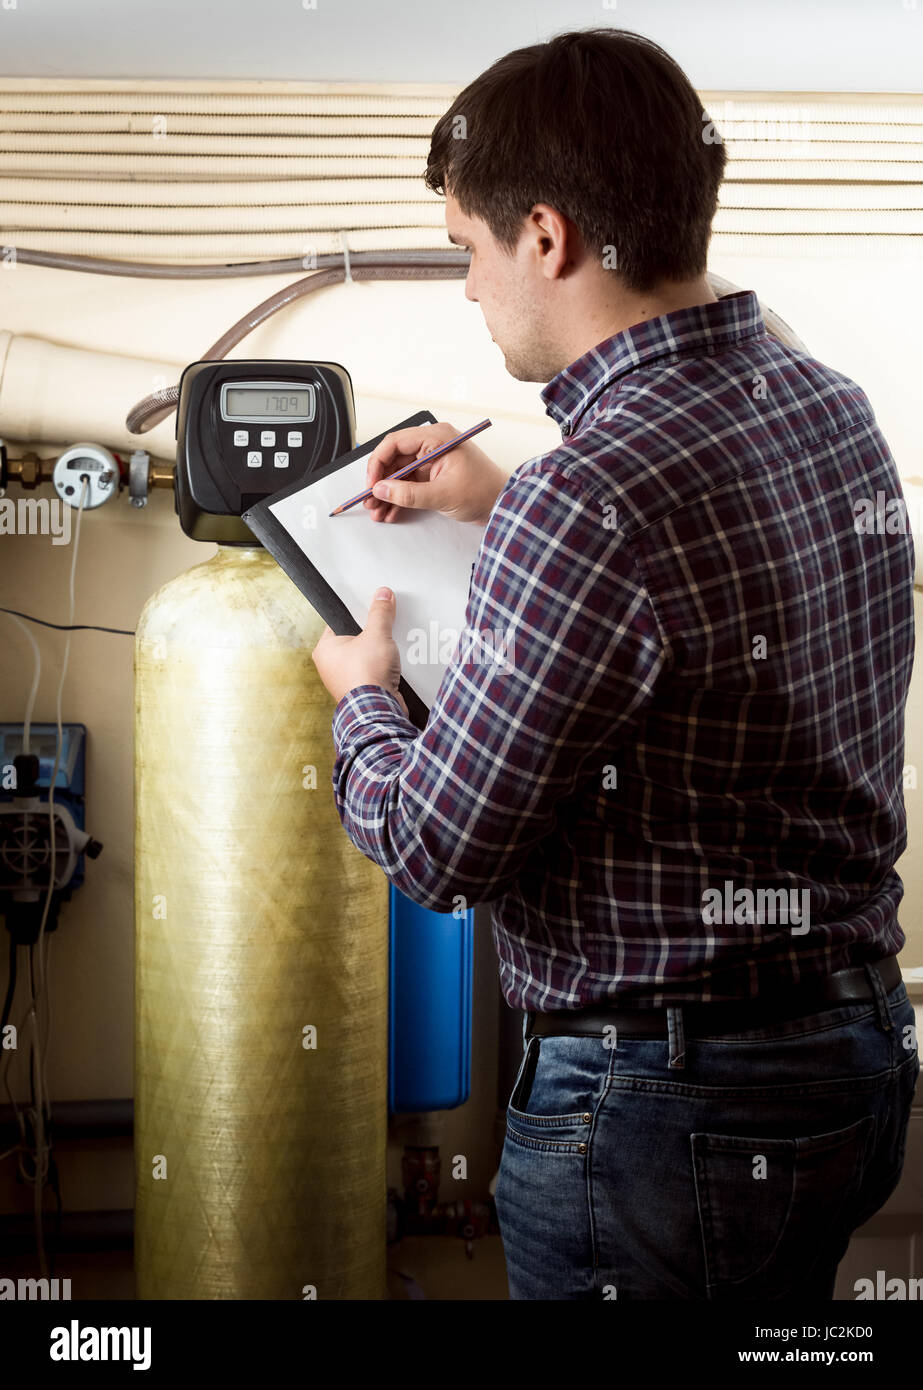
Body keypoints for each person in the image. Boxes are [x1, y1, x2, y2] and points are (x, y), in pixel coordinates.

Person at [311, 28, 919, 1299]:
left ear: (544, 237)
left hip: (663, 1109)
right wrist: (504, 494)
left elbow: (436, 850)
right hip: (849, 1055)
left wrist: (364, 699)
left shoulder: (585, 501)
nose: (469, 289)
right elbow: (693, 567)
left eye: (466, 252)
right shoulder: (828, 402)